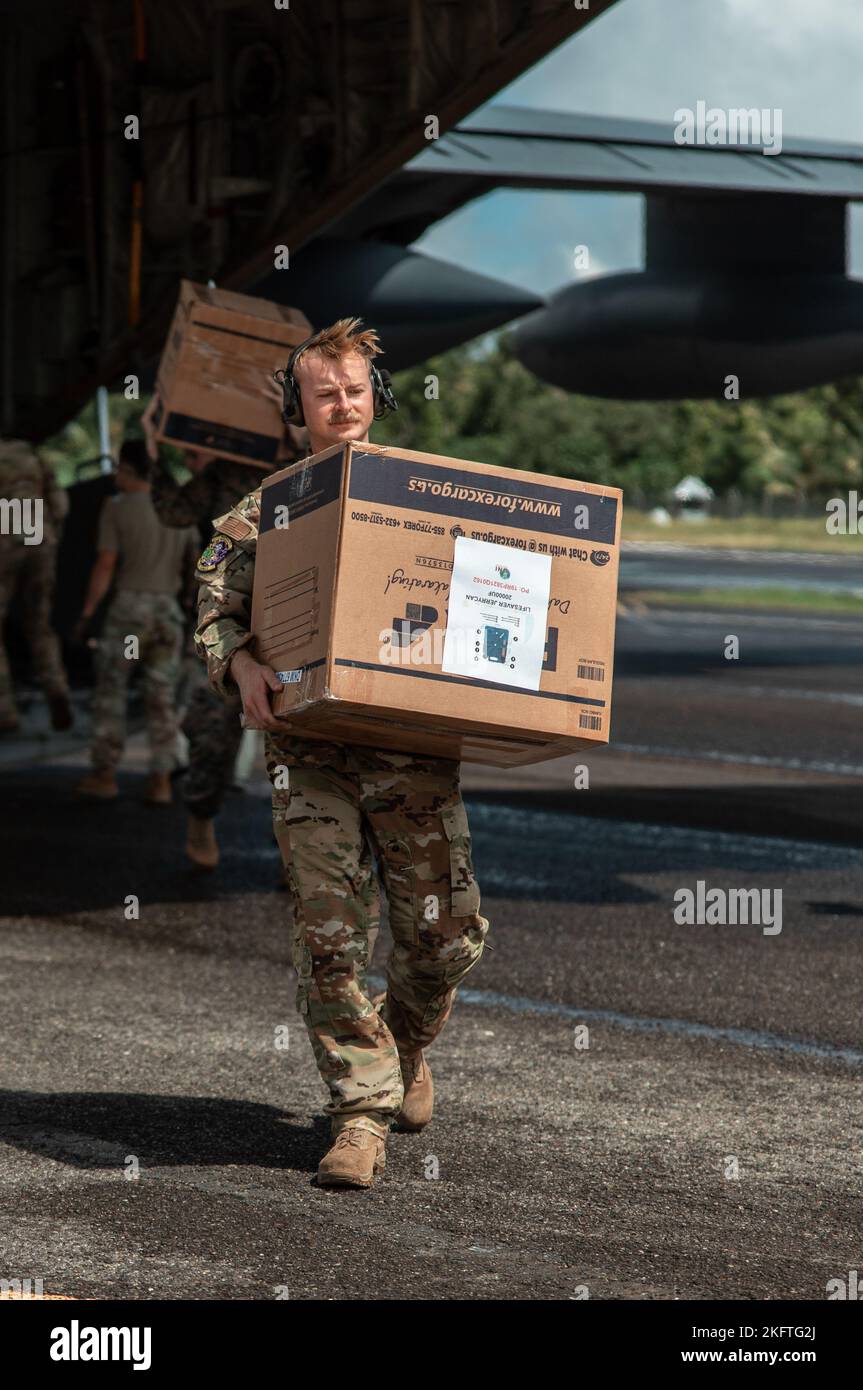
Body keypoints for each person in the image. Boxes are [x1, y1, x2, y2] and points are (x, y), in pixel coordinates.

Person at [193, 318, 490, 1189]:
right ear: (300, 408)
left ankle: (406, 1043)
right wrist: (238, 663)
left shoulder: (429, 497)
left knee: (442, 939)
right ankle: (359, 1116)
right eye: (325, 393)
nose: (344, 404)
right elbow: (212, 617)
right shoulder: (260, 515)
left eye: (355, 390)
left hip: (412, 751)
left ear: (376, 398)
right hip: (311, 752)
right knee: (330, 935)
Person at [140, 392, 308, 869]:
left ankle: (301, 857)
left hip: (299, 622)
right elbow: (172, 510)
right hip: (230, 620)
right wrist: (157, 453)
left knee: (301, 742)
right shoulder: (224, 475)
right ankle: (200, 816)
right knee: (213, 731)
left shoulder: (313, 468)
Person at [76, 439, 199, 803]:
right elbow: (194, 565)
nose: (115, 476)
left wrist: (86, 612)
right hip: (168, 613)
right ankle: (160, 780)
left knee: (111, 691)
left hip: (130, 611)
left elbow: (105, 564)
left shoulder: (117, 508)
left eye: (118, 468)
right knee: (160, 697)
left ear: (130, 470)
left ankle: (104, 775)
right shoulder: (177, 510)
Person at [0, 437, 72, 734]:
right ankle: (56, 687)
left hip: (5, 536)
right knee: (40, 625)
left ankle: (5, 712)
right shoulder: (30, 453)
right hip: (40, 535)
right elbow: (60, 503)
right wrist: (51, 531)